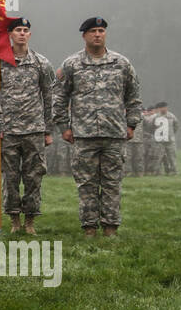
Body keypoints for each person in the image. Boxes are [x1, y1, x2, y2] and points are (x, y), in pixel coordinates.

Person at [53, 17, 141, 237]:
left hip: (114, 133)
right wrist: (64, 126)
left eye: (101, 30)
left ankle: (110, 227)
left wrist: (131, 124)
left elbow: (133, 95)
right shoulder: (72, 64)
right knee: (86, 183)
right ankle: (89, 227)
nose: (97, 34)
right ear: (84, 35)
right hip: (84, 134)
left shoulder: (121, 63)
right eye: (93, 31)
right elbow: (59, 97)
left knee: (112, 183)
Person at [0, 17, 54, 235]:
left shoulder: (41, 63)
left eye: (25, 30)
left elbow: (49, 97)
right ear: (10, 34)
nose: (22, 33)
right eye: (18, 30)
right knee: (10, 179)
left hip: (34, 130)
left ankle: (30, 221)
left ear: (30, 34)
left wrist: (48, 130)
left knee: (33, 177)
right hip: (8, 130)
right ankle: (14, 220)